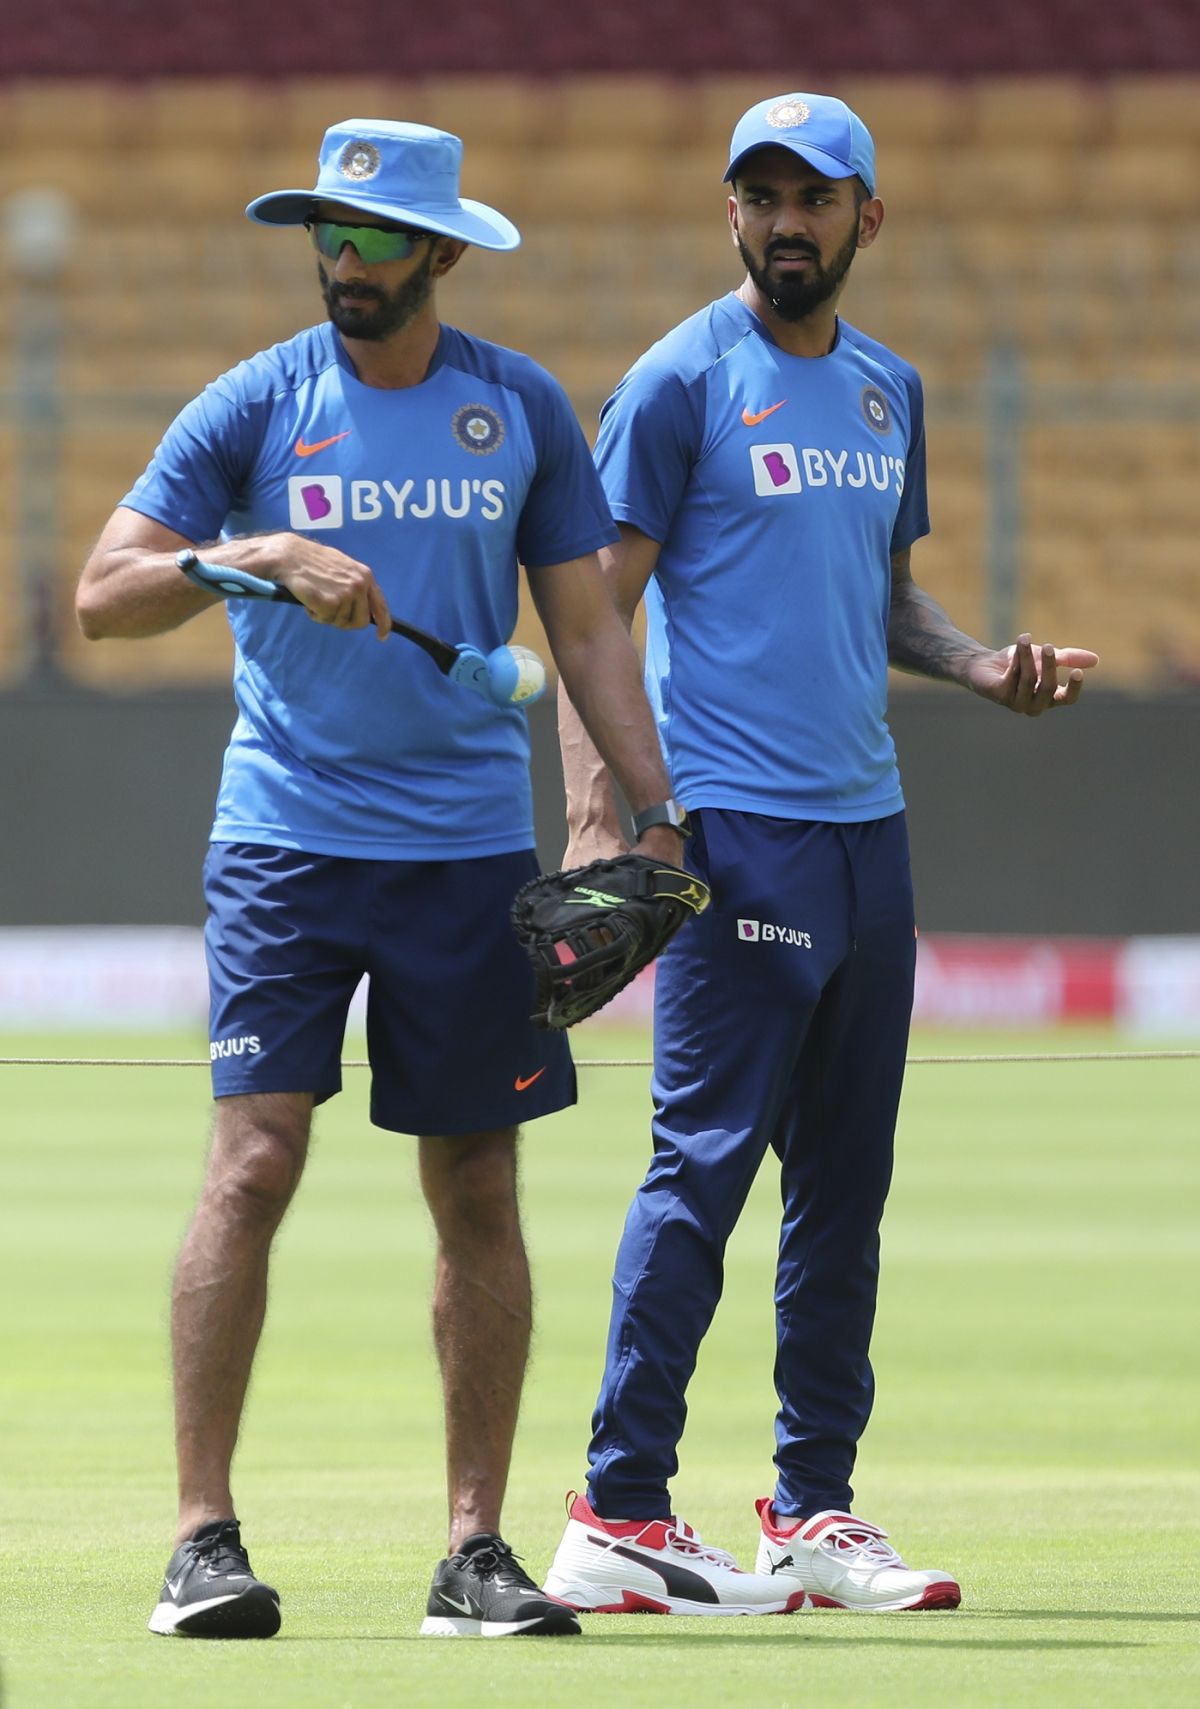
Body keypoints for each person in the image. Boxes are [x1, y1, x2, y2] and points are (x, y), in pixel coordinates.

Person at [75, 118, 687, 1642]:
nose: (341, 262)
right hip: (283, 840)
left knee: (478, 1182)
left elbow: (591, 634)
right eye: (325, 236)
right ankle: (200, 1539)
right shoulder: (256, 403)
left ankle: (475, 1553)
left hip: (467, 855)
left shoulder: (522, 409)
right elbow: (102, 596)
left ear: (441, 252)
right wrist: (255, 553)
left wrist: (648, 817)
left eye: (371, 238)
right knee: (252, 1164)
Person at [544, 91, 1099, 1617]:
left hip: (869, 836)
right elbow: (596, 611)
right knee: (705, 1166)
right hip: (736, 833)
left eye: (816, 195)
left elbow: (884, 601)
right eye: (762, 195)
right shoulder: (676, 382)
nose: (788, 220)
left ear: (870, 216)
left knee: (845, 1185)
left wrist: (984, 666)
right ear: (731, 214)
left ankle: (813, 1509)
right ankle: (621, 1508)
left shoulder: (887, 391)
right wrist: (604, 819)